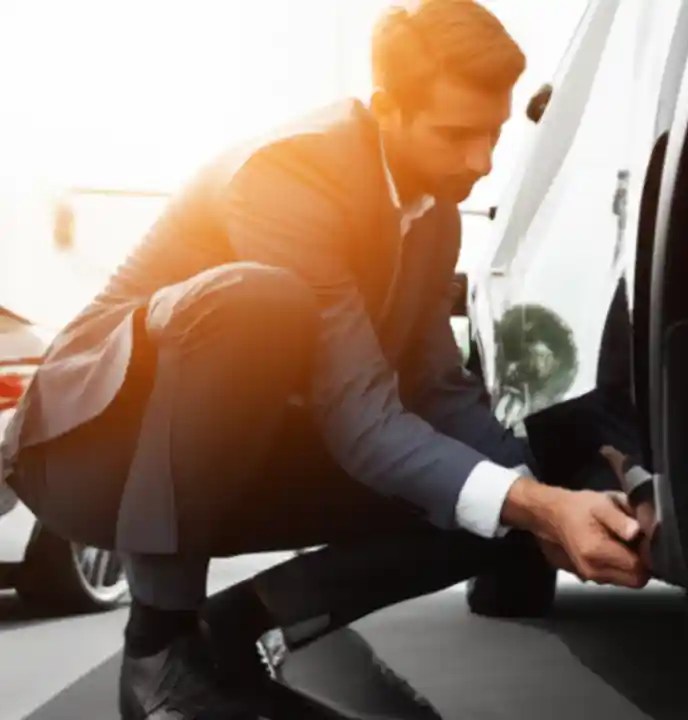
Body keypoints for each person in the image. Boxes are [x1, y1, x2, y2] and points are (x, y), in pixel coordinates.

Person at [0, 2, 650, 718]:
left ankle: (233, 633)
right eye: (456, 134)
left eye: (493, 132)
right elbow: (361, 418)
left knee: (483, 501)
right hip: (93, 452)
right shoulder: (291, 174)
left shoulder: (431, 217)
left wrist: (538, 502)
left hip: (239, 452)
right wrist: (542, 506)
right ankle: (158, 653)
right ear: (386, 111)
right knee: (259, 305)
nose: (482, 161)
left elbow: (437, 387)